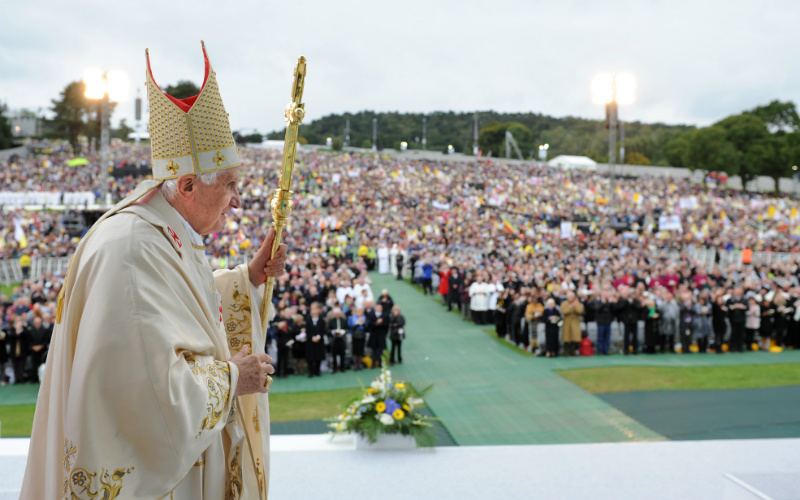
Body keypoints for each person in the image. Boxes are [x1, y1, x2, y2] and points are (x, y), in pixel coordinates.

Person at [20, 42, 288, 500]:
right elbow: (138, 386)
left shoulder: (163, 231)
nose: (238, 201)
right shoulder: (130, 248)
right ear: (186, 185)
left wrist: (247, 280)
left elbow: (177, 315)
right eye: (229, 186)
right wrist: (230, 382)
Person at [305, 302, 328, 377]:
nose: (314, 313)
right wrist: (312, 337)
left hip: (319, 341)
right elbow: (307, 331)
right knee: (310, 358)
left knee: (319, 357)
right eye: (313, 312)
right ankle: (310, 372)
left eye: (315, 312)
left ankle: (317, 371)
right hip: (310, 342)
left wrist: (318, 337)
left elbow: (323, 330)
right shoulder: (308, 320)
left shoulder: (321, 320)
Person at [560, 291, 584, 357]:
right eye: (570, 297)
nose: (571, 298)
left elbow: (580, 311)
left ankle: (573, 351)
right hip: (567, 323)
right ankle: (566, 351)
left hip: (575, 322)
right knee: (566, 338)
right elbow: (564, 311)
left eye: (572, 297)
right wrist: (570, 307)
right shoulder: (564, 303)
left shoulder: (577, 303)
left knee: (574, 337)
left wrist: (575, 306)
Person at [327, 307, 348, 373]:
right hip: (334, 339)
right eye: (336, 314)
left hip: (341, 339)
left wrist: (342, 332)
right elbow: (328, 330)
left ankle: (342, 367)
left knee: (342, 354)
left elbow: (347, 329)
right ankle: (335, 368)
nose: (337, 315)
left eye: (338, 314)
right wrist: (333, 331)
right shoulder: (331, 321)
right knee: (334, 354)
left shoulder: (343, 320)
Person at [727, 287, 748, 352]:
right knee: (733, 333)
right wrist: (734, 306)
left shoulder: (744, 300)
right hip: (733, 319)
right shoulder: (731, 299)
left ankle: (740, 347)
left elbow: (747, 307)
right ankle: (733, 347)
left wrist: (742, 307)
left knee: (741, 334)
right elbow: (728, 307)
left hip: (741, 319)